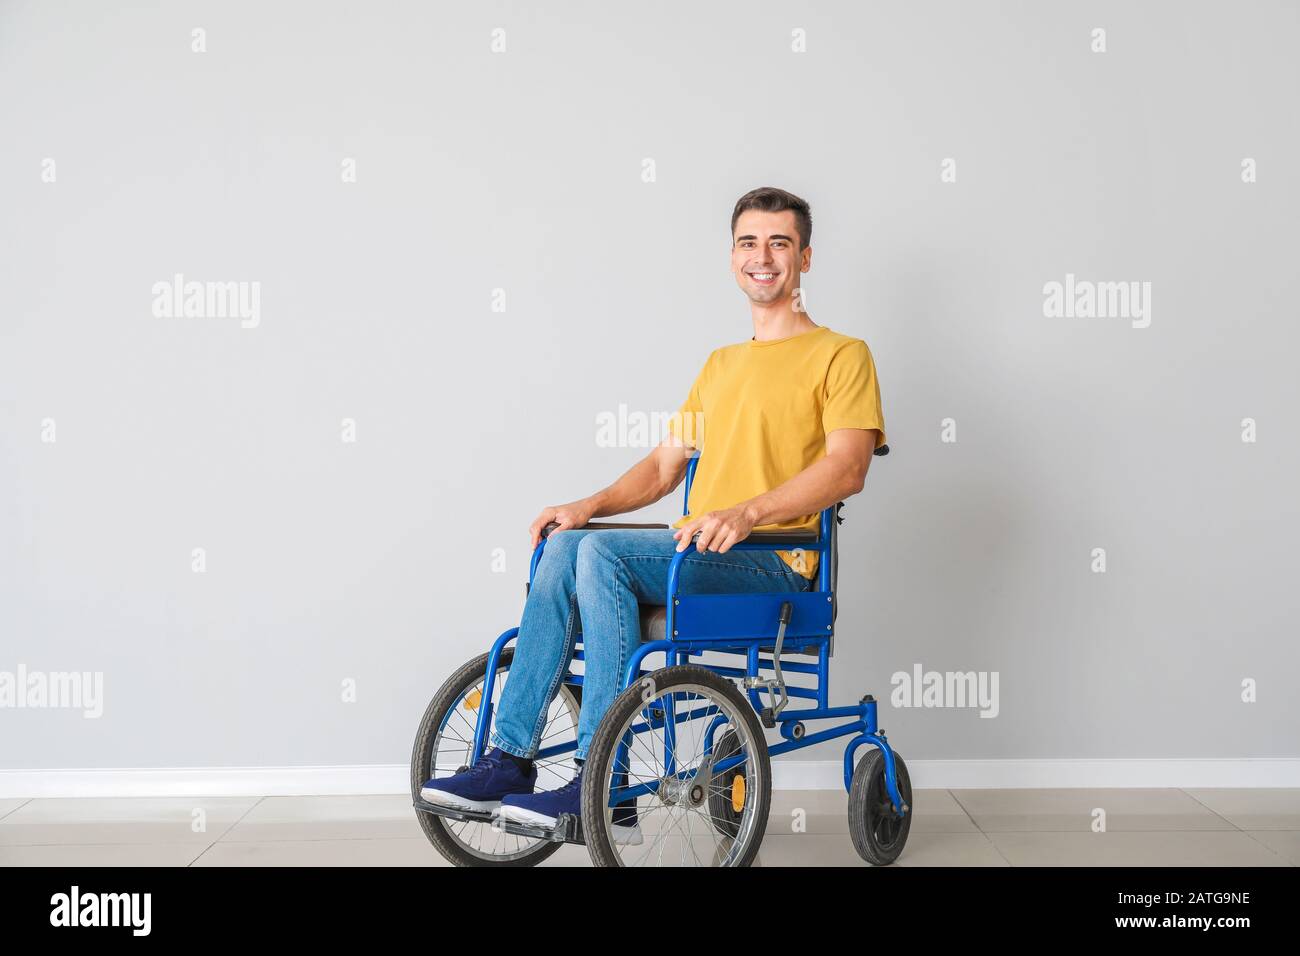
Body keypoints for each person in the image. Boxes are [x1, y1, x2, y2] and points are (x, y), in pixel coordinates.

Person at [421, 186, 887, 843]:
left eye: (779, 243)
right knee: (567, 543)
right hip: (701, 557)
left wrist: (748, 512)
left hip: (774, 564)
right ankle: (510, 760)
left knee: (600, 555)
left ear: (804, 258)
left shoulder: (842, 354)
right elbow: (664, 469)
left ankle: (599, 786)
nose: (763, 257)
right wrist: (586, 505)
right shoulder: (721, 366)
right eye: (749, 243)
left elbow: (848, 468)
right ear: (732, 259)